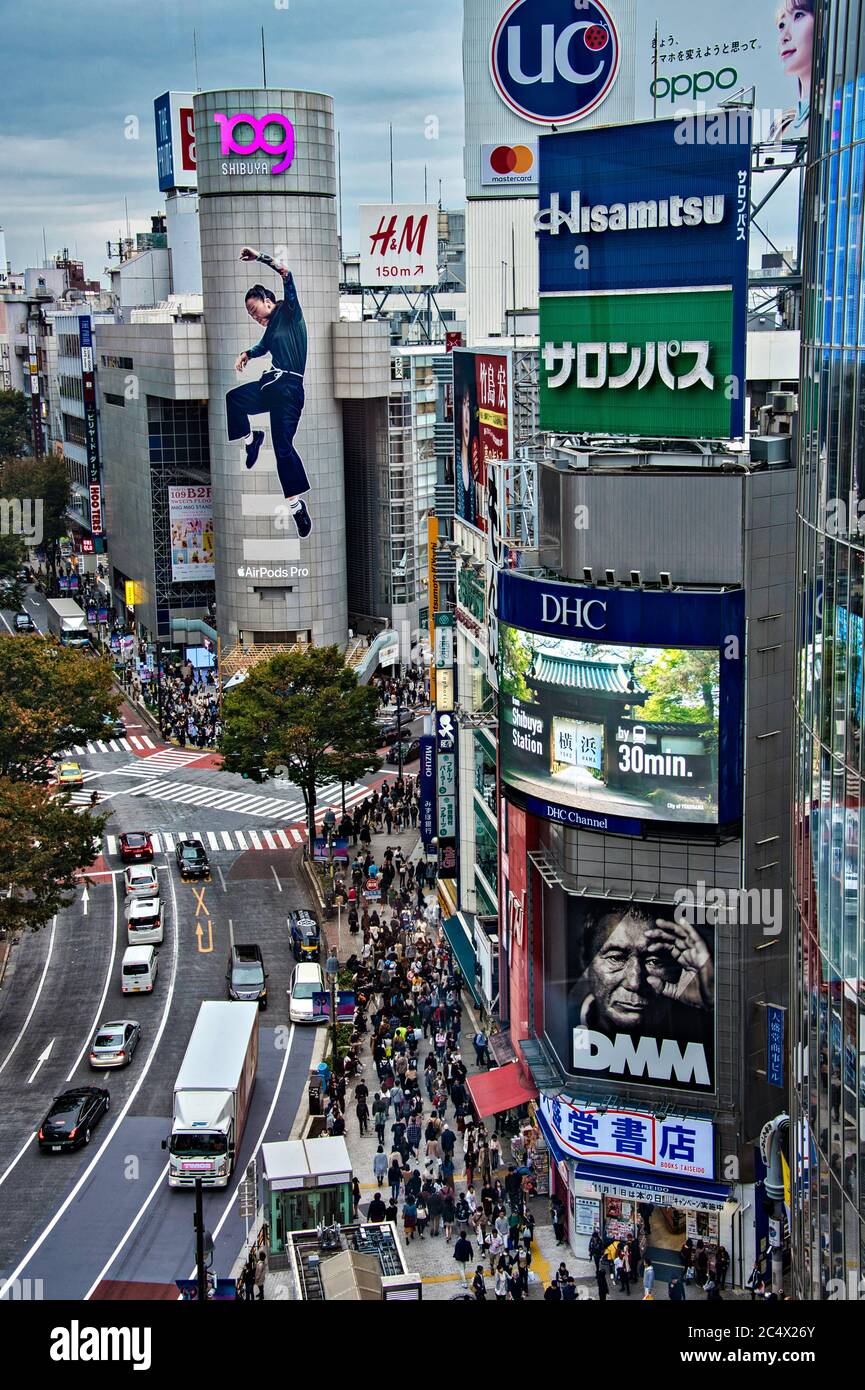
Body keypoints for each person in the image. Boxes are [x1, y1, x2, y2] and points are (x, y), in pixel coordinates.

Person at [227, 246, 313, 535]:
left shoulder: (289, 312)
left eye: (255, 310)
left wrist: (260, 257)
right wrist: (246, 354)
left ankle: (296, 508)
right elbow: (263, 346)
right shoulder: (271, 327)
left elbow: (287, 274)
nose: (254, 317)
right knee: (235, 399)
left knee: (283, 449)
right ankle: (252, 439)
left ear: (267, 301)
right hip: (272, 385)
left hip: (289, 390)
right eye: (250, 315)